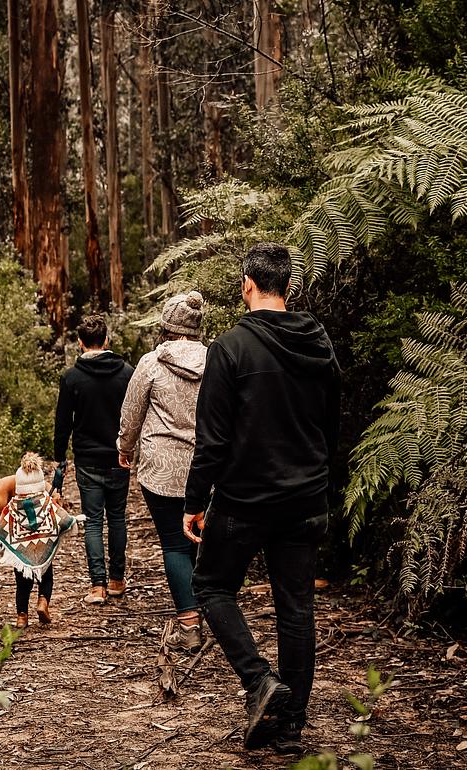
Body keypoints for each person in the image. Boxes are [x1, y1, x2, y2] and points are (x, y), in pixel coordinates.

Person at [183, 242, 340, 755]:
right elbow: (331, 423)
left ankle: (258, 681)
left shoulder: (230, 347)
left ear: (247, 285)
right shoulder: (318, 343)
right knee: (296, 608)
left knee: (210, 585)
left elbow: (212, 440)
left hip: (244, 500)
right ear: (288, 287)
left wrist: (194, 501)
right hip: (305, 498)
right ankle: (291, 729)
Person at [117, 291, 208, 652]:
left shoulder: (151, 363)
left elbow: (132, 411)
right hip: (207, 467)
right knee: (201, 539)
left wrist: (125, 448)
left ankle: (189, 624)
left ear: (166, 326)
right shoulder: (217, 359)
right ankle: (214, 610)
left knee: (174, 543)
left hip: (161, 469)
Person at [54, 313, 135, 604]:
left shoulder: (72, 378)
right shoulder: (127, 373)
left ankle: (97, 586)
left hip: (87, 460)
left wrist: (59, 459)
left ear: (80, 343)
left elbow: (63, 423)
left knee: (93, 522)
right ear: (107, 340)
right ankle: (117, 580)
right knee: (117, 518)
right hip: (118, 457)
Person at [0, 452, 78, 629]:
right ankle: (43, 602)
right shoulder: (48, 504)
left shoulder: (12, 506)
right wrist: (74, 521)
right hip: (43, 548)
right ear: (40, 482)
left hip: (21, 554)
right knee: (47, 579)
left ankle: (22, 617)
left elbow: (1, 529)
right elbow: (64, 520)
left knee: (22, 586)